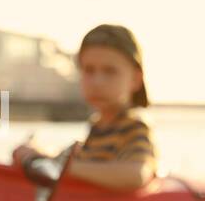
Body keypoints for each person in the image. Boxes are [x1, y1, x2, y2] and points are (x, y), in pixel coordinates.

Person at [12, 24, 157, 190]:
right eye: (89, 70)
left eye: (110, 71)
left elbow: (136, 174)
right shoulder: (99, 124)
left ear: (135, 79)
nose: (97, 82)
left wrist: (59, 166)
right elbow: (84, 164)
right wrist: (37, 153)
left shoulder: (134, 126)